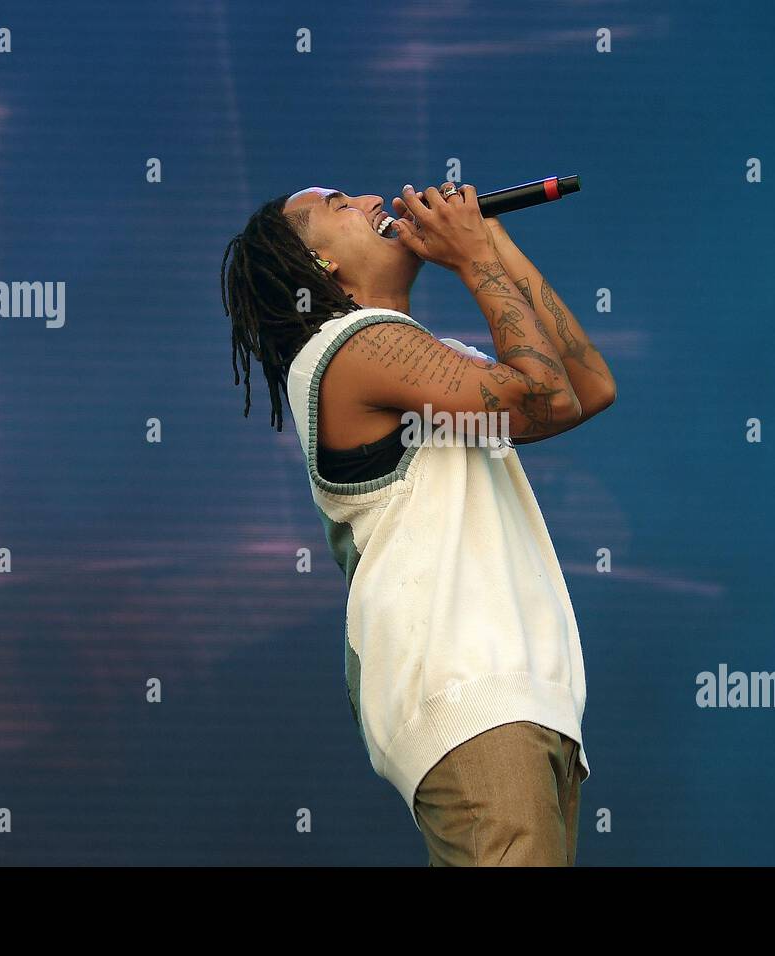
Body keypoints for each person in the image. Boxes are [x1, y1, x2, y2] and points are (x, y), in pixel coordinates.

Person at [221, 180, 616, 865]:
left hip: (516, 696)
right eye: (340, 204)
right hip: (469, 692)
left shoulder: (425, 358)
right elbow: (542, 400)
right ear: (321, 267)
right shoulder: (346, 347)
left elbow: (586, 389)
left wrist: (489, 242)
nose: (374, 199)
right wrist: (472, 262)